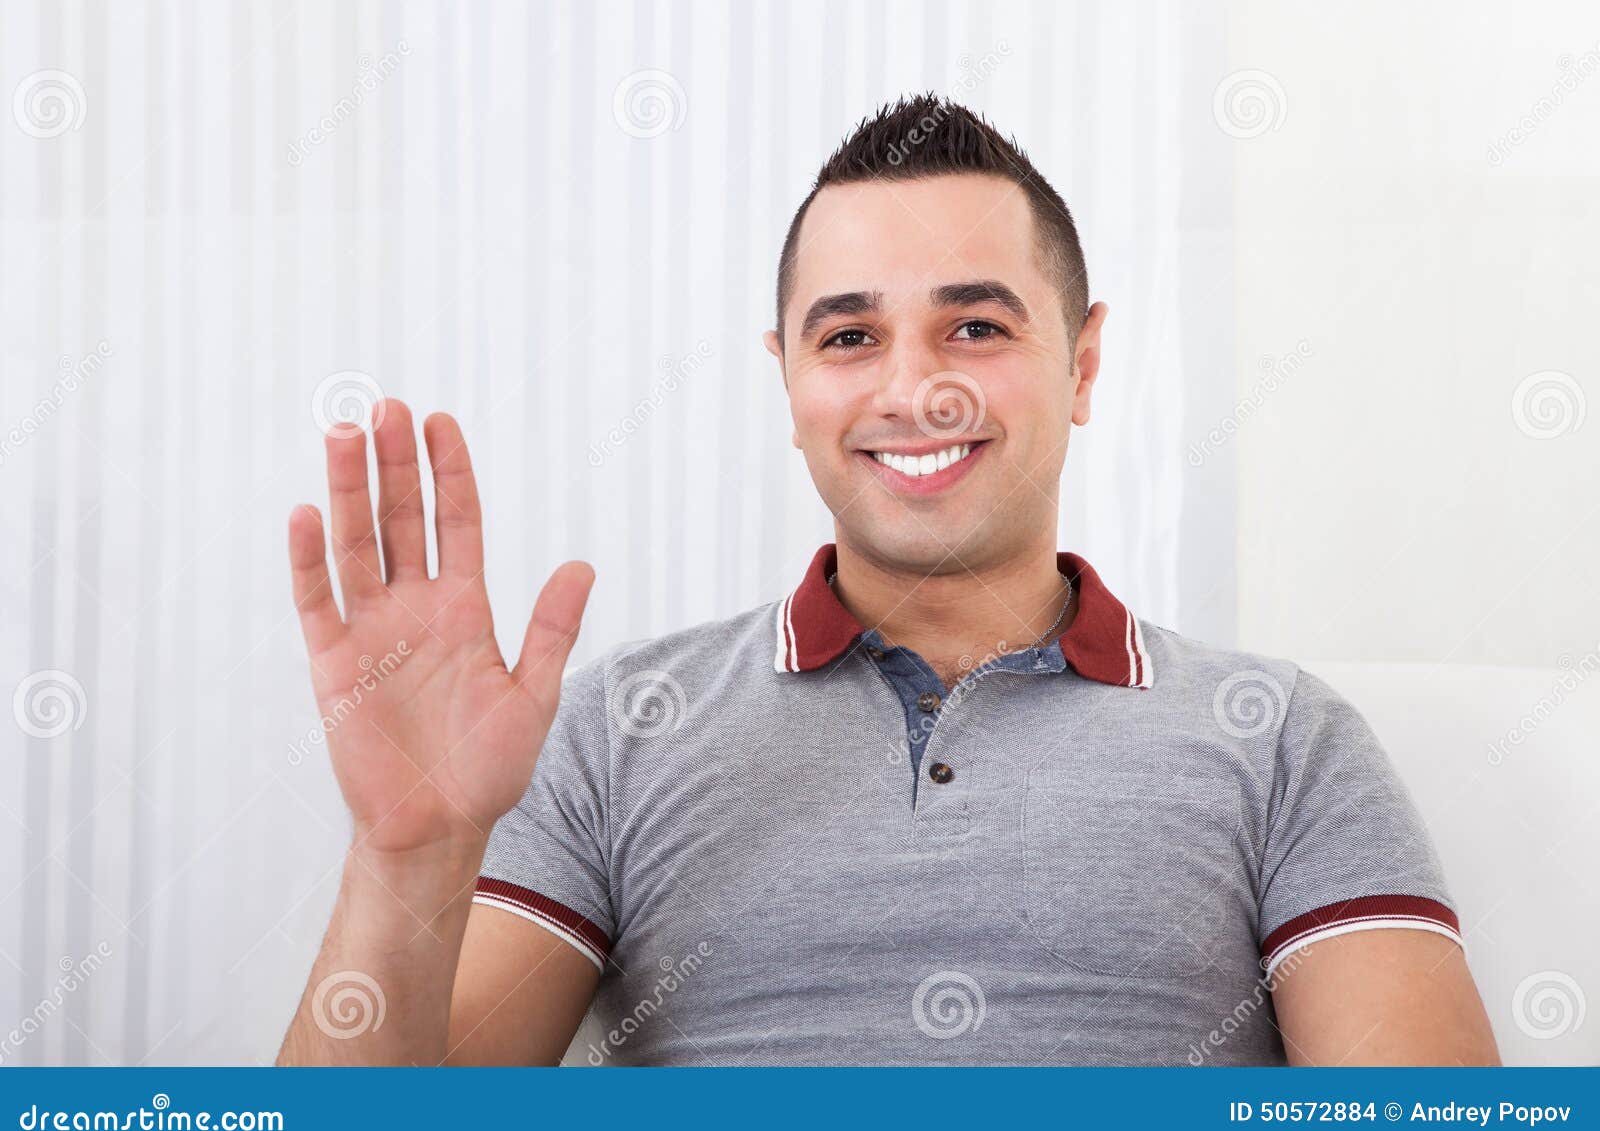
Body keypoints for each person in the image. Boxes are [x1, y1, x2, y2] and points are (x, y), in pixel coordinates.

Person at [277, 95, 1498, 1065]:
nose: (915, 389)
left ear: (1081, 365)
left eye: (975, 326)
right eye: (849, 336)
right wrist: (411, 852)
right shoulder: (611, 731)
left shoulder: (1283, 739)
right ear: (789, 380)